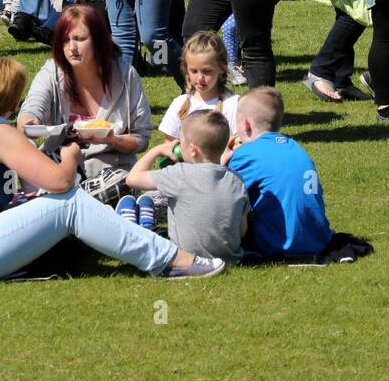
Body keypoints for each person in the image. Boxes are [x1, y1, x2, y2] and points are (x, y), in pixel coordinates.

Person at [0, 53, 225, 281]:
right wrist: (72, 153)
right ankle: (169, 260)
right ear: (15, 103)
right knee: (70, 205)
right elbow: (60, 182)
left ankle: (163, 257)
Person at [18, 4, 152, 190]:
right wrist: (30, 122)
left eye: (79, 39)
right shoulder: (53, 71)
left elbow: (141, 138)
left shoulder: (125, 75)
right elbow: (33, 106)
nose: (71, 48)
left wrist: (112, 140)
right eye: (65, 40)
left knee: (117, 184)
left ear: (98, 41)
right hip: (60, 164)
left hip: (110, 168)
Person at [120, 109, 250, 262]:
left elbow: (132, 179)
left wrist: (156, 151)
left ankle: (137, 222)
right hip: (229, 259)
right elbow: (242, 231)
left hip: (186, 260)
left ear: (192, 150)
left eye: (180, 141)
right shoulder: (236, 180)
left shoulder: (179, 175)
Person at [223, 88, 333, 259]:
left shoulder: (246, 154)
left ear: (245, 124)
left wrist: (222, 159)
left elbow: (217, 193)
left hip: (280, 244)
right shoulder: (293, 146)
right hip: (318, 239)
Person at [156, 31, 241, 146]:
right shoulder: (179, 104)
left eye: (207, 71)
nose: (200, 78)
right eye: (194, 71)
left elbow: (239, 145)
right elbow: (169, 146)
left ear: (222, 68)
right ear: (187, 70)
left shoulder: (233, 104)